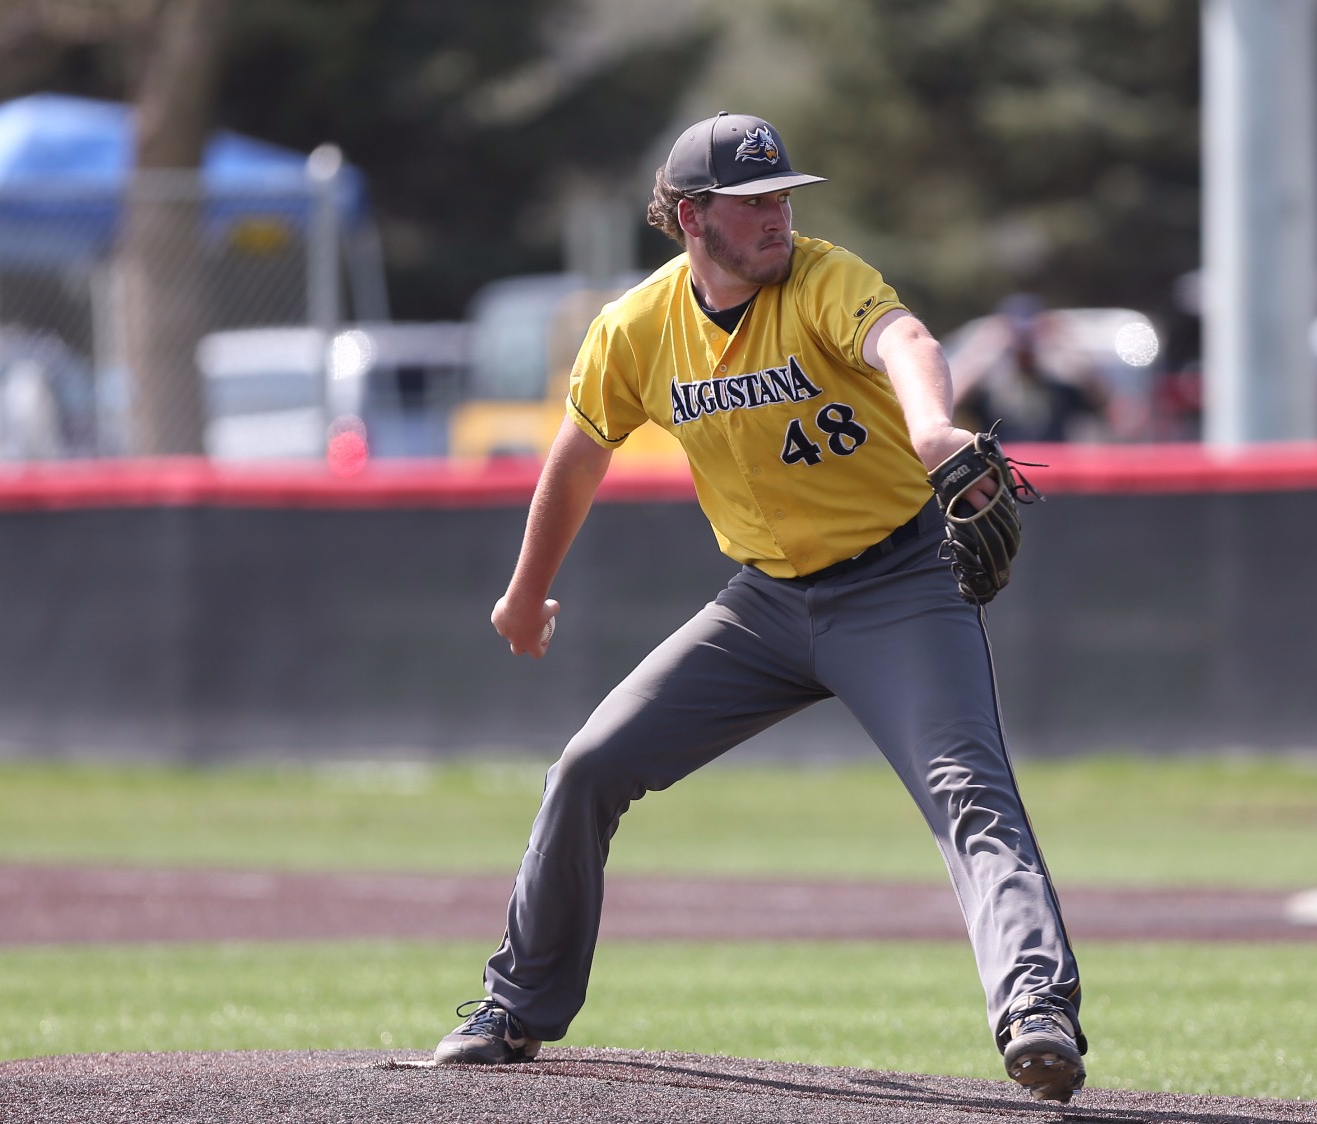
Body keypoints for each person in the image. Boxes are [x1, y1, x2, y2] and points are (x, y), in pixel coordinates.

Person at [430, 112, 1089, 1103]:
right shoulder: (637, 328)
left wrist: (930, 427)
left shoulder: (822, 278)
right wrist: (525, 592)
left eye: (782, 194)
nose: (779, 215)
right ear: (692, 217)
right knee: (587, 767)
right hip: (763, 605)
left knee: (967, 787)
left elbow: (904, 338)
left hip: (898, 585)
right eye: (753, 202)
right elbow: (577, 455)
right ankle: (514, 1006)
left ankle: (1035, 1007)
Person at [954, 294, 1109, 443]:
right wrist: (981, 350)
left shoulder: (1059, 385)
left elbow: (1104, 406)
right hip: (1002, 460)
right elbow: (952, 404)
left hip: (1050, 461)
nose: (1023, 345)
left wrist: (1065, 344)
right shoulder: (988, 387)